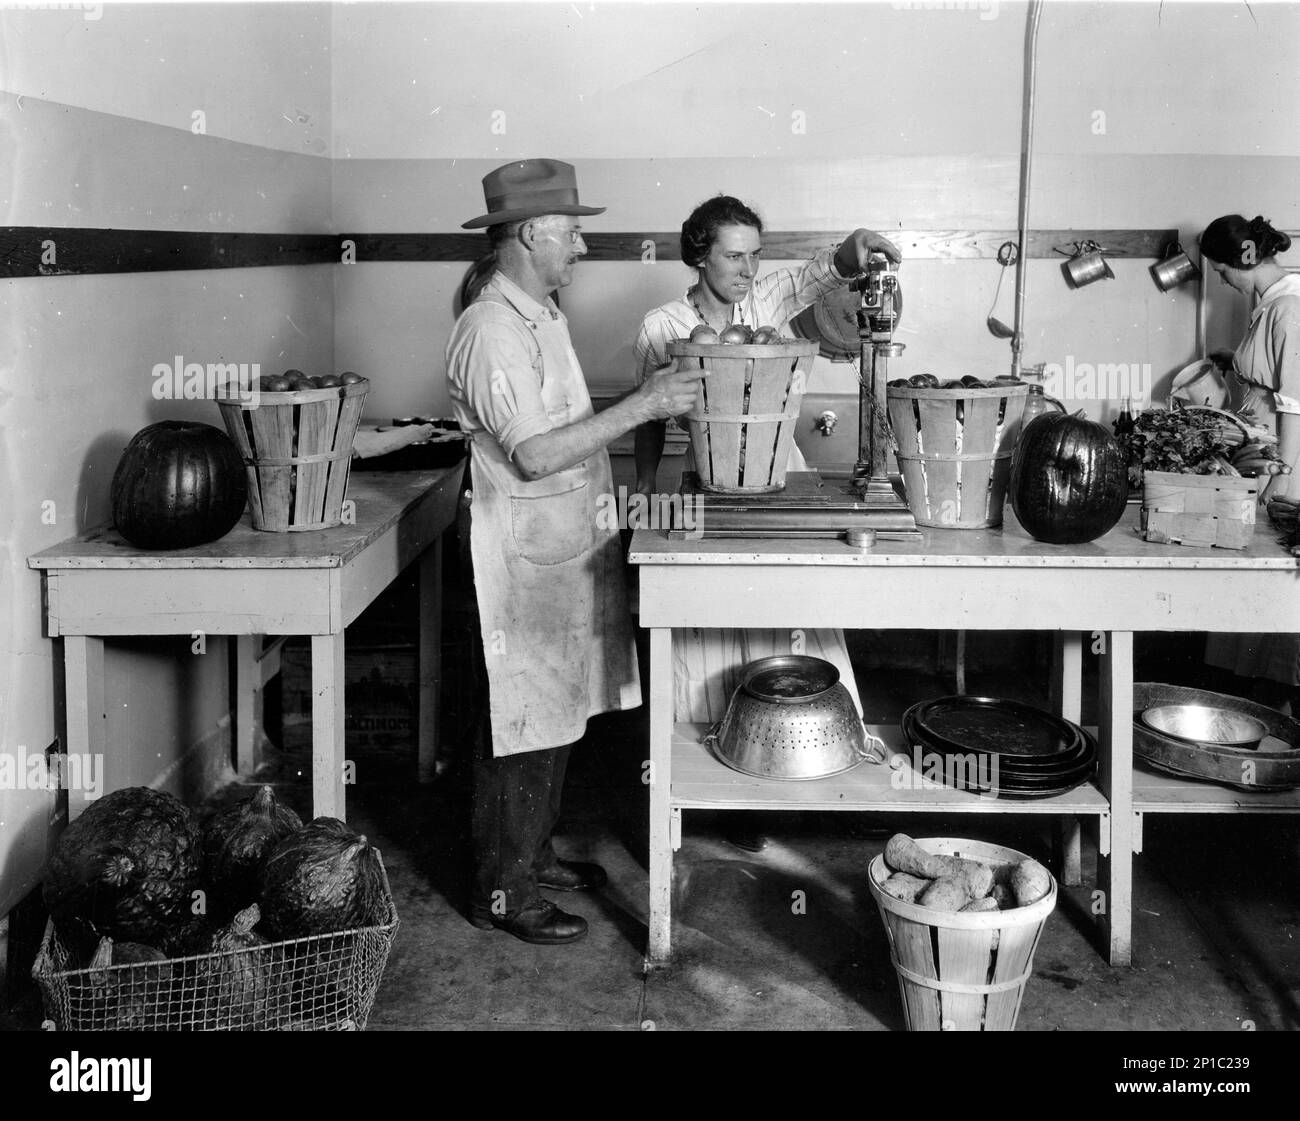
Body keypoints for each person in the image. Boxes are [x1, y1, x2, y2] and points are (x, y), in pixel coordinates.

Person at [445, 159, 705, 944]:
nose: (583, 246)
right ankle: (505, 888)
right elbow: (531, 455)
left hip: (561, 545)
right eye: (571, 231)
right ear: (530, 234)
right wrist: (647, 405)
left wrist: (650, 392)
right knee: (518, 722)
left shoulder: (540, 311)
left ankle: (534, 851)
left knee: (555, 714)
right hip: (520, 559)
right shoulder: (491, 329)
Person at [632, 196, 899, 800]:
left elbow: (818, 273)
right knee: (710, 620)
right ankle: (721, 770)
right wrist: (648, 492)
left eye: (755, 256)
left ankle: (815, 760)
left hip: (781, 474)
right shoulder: (661, 326)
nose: (748, 270)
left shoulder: (768, 300)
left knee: (790, 607)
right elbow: (647, 417)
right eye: (733, 256)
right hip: (704, 479)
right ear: (700, 257)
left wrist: (854, 246)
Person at [1199, 215, 1300, 711]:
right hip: (1263, 453)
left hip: (1287, 462)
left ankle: (1278, 715)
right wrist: (1232, 363)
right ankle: (1257, 709)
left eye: (1221, 271)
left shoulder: (1290, 309)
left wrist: (1279, 481)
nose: (1222, 280)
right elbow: (1269, 378)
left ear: (1243, 259)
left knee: (1278, 589)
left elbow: (1296, 405)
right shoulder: (1269, 305)